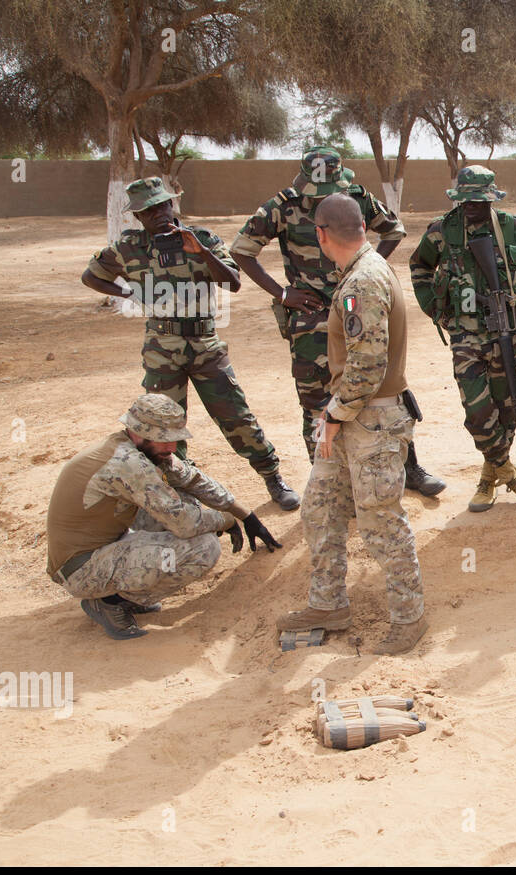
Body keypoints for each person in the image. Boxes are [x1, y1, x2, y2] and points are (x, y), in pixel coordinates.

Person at [232, 147, 445, 499]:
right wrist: (284, 294)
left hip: (360, 306)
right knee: (315, 400)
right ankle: (329, 483)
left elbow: (394, 230)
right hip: (311, 320)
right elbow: (241, 249)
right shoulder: (283, 205)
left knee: (385, 386)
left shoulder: (356, 200)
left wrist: (366, 266)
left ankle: (409, 469)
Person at [81, 177, 299, 511]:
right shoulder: (128, 247)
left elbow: (233, 282)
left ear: (173, 204)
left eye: (163, 205)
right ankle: (178, 484)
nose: (158, 214)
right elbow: (91, 276)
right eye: (149, 210)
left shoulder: (202, 238)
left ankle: (272, 476)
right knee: (164, 422)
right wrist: (127, 293)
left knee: (235, 413)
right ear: (138, 217)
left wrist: (202, 252)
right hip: (161, 348)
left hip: (205, 344)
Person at [277, 194, 427, 654]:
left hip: (371, 418)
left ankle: (409, 617)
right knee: (319, 508)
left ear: (321, 234)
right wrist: (334, 414)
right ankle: (328, 603)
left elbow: (367, 365)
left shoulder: (362, 280)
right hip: (348, 413)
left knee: (381, 520)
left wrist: (336, 415)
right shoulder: (362, 271)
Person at [46, 394, 280, 641]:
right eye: (164, 440)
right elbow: (185, 523)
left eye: (174, 439)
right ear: (138, 432)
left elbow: (192, 479)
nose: (171, 448)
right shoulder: (127, 463)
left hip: (102, 546)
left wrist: (245, 514)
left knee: (183, 499)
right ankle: (109, 601)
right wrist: (226, 520)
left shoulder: (142, 449)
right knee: (203, 547)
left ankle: (121, 590)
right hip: (81, 569)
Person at [409, 165, 516, 512]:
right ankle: (510, 474)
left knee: (507, 408)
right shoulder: (442, 231)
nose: (471, 206)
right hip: (465, 333)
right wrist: (437, 310)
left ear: (491, 197)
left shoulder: (514, 227)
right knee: (477, 411)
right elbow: (418, 267)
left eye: (478, 200)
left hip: (505, 330)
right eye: (465, 200)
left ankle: (489, 476)